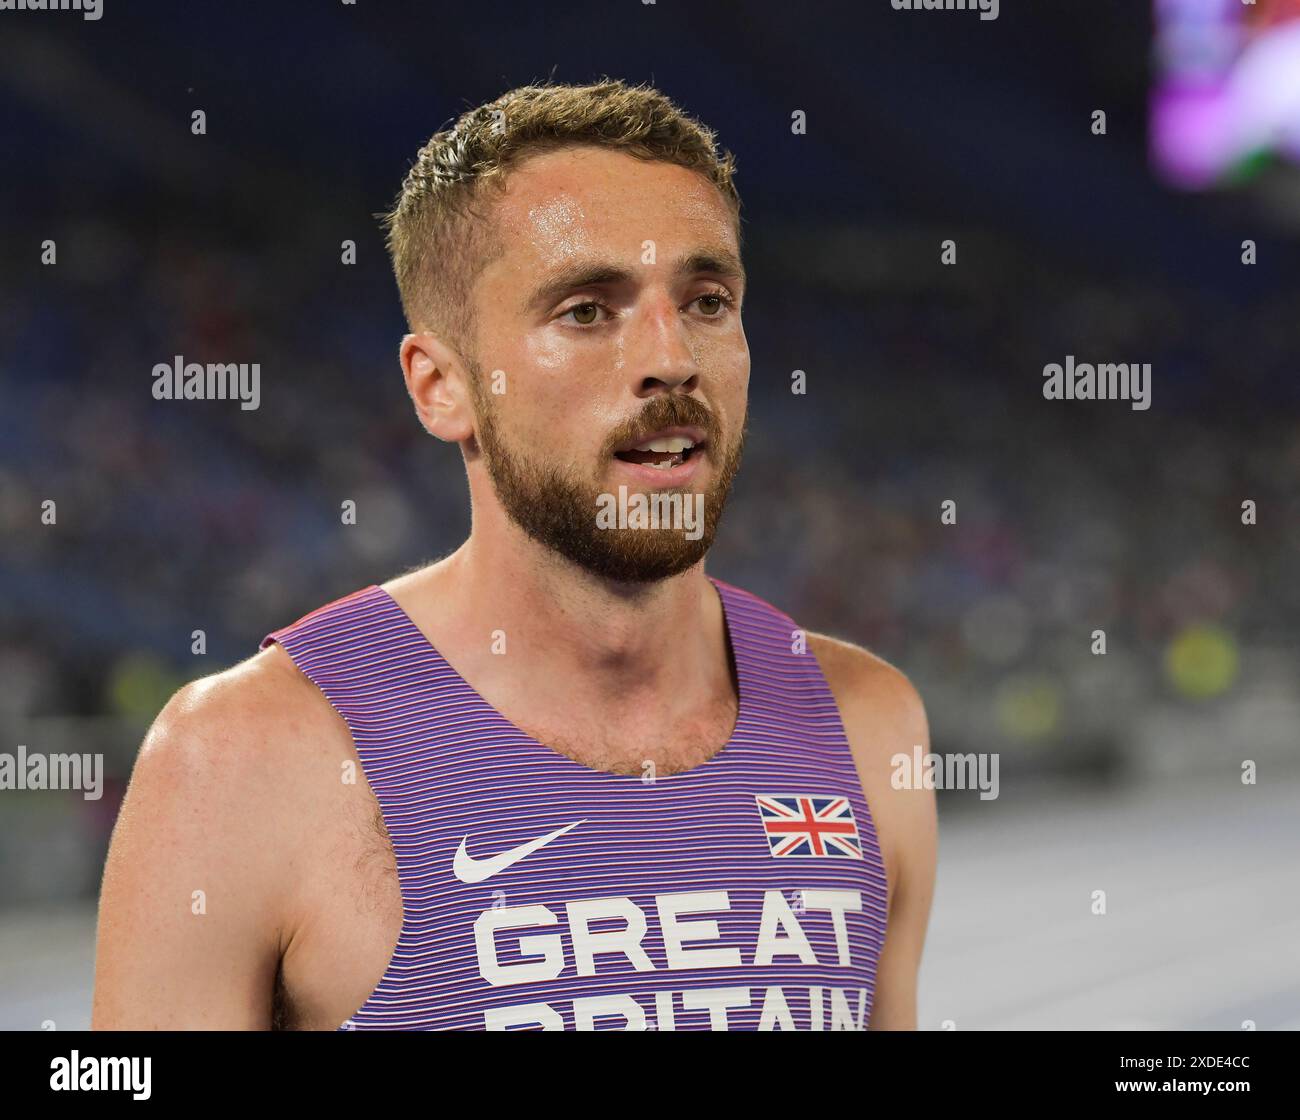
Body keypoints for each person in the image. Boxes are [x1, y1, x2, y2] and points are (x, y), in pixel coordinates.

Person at [92, 79, 936, 1030]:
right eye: (587, 309)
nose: (673, 357)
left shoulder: (867, 726)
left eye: (706, 300)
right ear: (442, 386)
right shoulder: (242, 760)